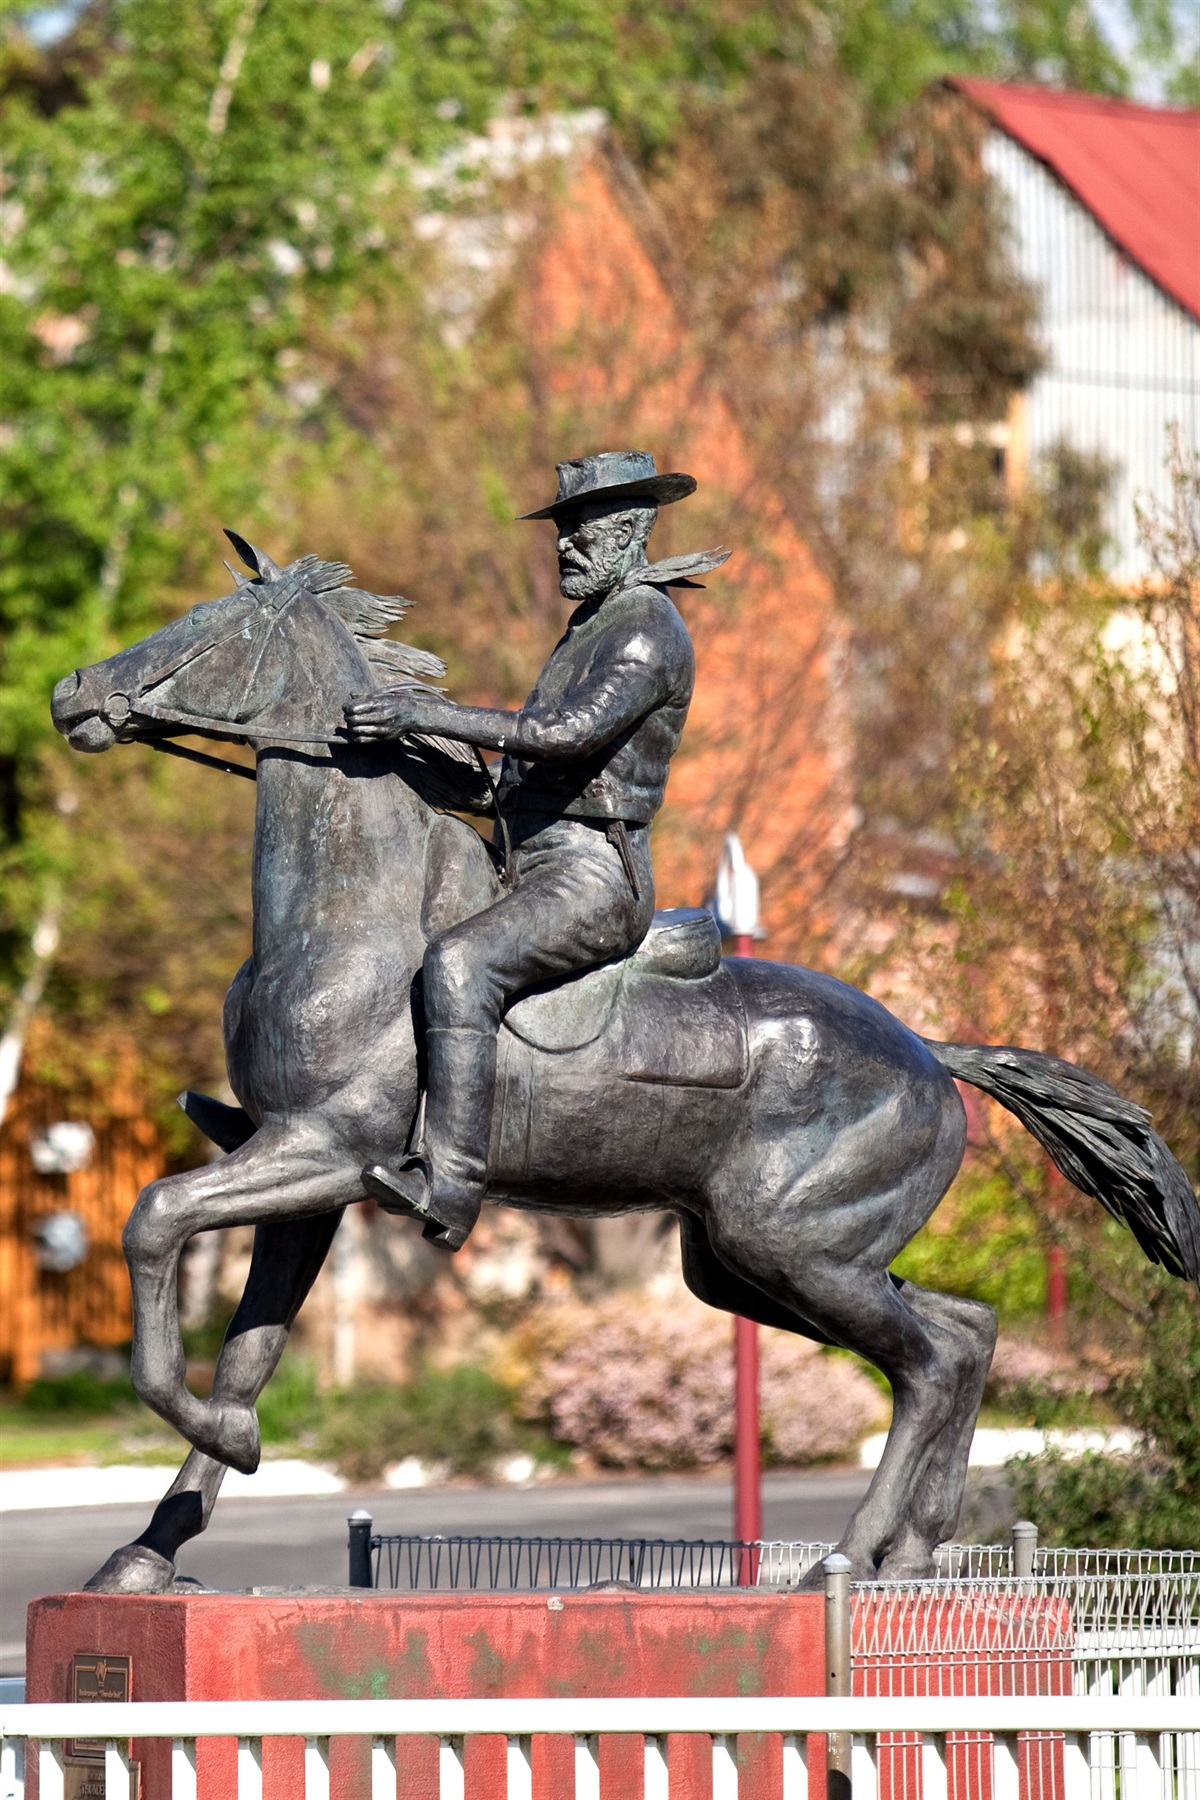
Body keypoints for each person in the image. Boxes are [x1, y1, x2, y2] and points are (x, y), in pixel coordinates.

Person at [344, 450, 727, 1249]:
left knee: (458, 964)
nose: (562, 547)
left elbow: (565, 736)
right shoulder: (588, 627)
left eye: (578, 532)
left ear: (627, 533)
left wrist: (427, 713)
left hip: (594, 877)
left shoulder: (649, 630)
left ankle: (450, 1184)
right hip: (530, 857)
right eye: (559, 532)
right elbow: (530, 768)